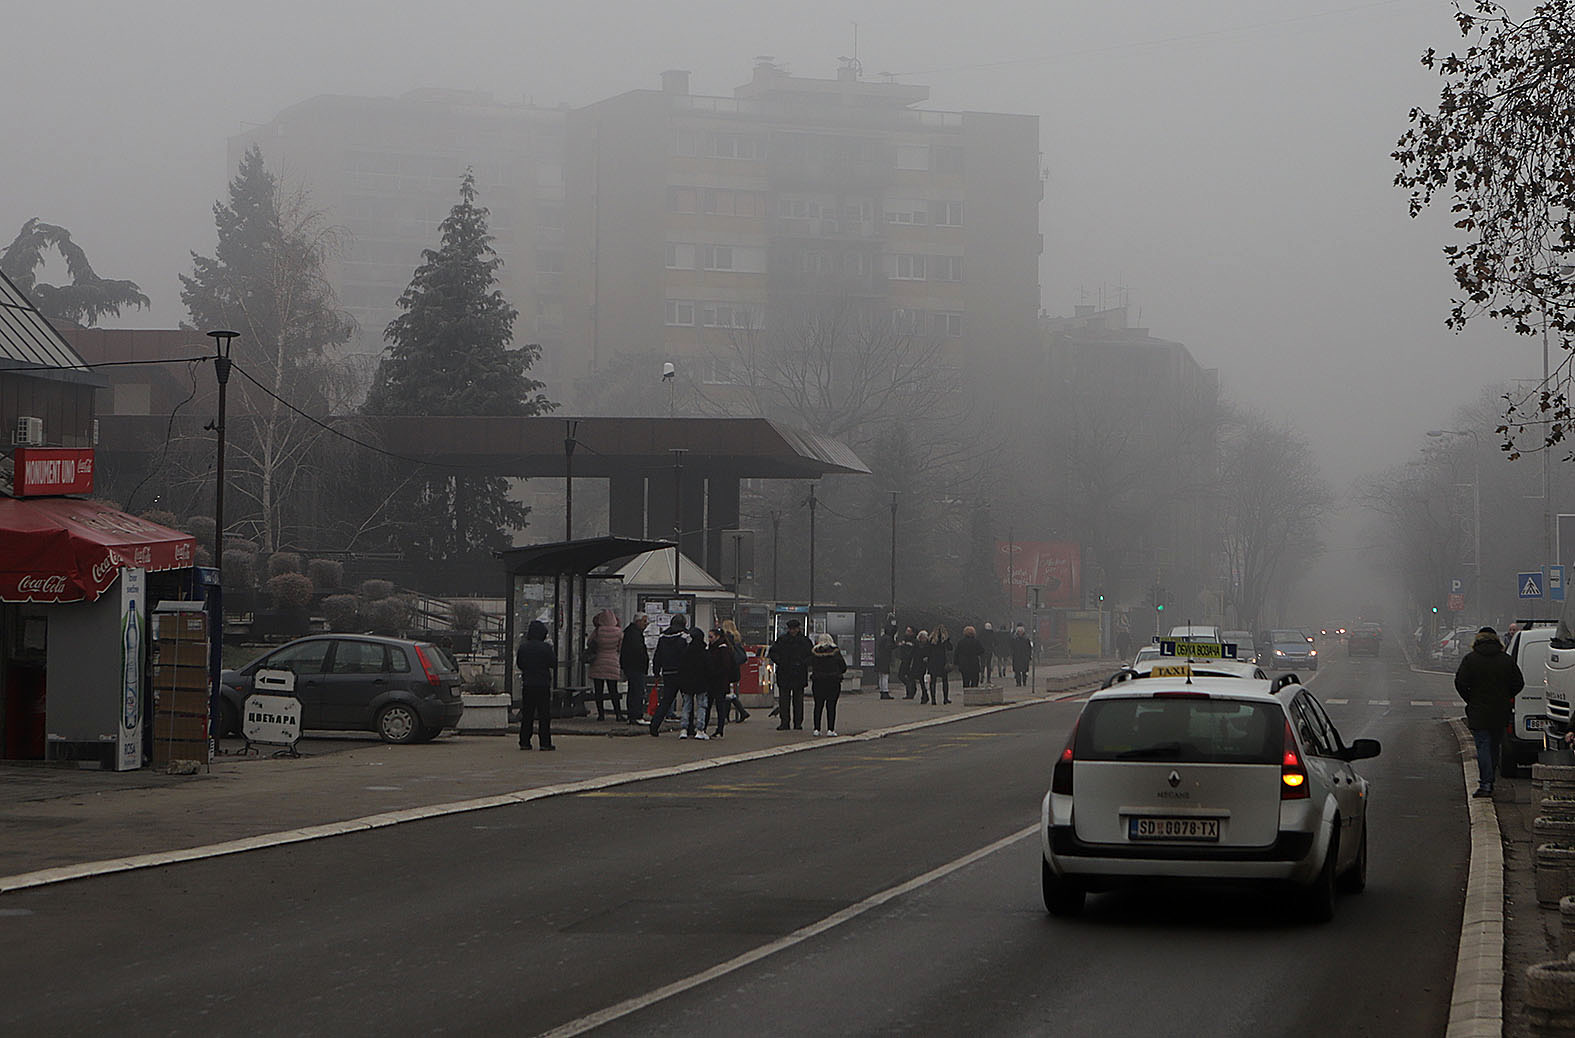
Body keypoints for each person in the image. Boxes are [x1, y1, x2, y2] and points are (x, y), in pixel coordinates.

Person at [1455, 625, 1524, 797]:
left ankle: (1486, 783)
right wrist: (1506, 696)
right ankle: (1489, 778)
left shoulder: (1470, 659)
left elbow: (1460, 682)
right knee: (1494, 746)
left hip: (1478, 710)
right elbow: (1518, 683)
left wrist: (1470, 699)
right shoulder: (1505, 660)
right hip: (1500, 710)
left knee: (1483, 746)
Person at [515, 619, 556, 751]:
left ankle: (525, 741)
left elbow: (520, 664)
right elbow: (553, 664)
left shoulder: (524, 647)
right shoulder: (546, 648)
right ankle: (545, 742)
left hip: (528, 683)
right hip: (543, 684)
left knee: (527, 713)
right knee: (544, 714)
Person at [768, 618, 813, 731]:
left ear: (798, 628)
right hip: (789, 673)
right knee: (785, 701)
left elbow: (811, 656)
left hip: (793, 673)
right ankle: (785, 722)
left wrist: (802, 663)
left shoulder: (800, 641)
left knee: (797, 701)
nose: (793, 631)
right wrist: (781, 662)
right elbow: (773, 653)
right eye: (791, 629)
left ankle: (797, 723)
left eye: (795, 628)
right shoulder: (787, 640)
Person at [649, 615, 690, 736]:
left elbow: (658, 656)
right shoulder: (685, 636)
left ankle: (654, 725)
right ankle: (689, 726)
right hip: (682, 672)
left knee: (666, 700)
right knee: (687, 700)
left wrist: (657, 672)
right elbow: (688, 655)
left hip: (667, 672)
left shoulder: (663, 637)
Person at [585, 608, 625, 721]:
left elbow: (589, 642)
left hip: (598, 661)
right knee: (613, 690)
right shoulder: (618, 632)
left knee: (599, 690)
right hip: (612, 661)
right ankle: (618, 714)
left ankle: (601, 715)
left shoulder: (598, 631)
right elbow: (620, 647)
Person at [810, 633, 848, 735]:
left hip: (818, 682)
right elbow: (843, 667)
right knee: (831, 706)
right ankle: (830, 729)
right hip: (833, 682)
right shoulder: (835, 652)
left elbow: (810, 664)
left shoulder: (815, 652)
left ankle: (816, 729)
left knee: (818, 705)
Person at [677, 626, 711, 739]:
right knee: (701, 705)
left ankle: (684, 729)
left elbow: (681, 668)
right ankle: (700, 729)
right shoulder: (704, 652)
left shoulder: (686, 652)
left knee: (686, 705)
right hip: (701, 683)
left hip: (687, 683)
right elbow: (708, 668)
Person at [706, 626, 741, 738]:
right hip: (714, 681)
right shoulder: (713, 647)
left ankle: (719, 728)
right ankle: (706, 728)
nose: (709, 639)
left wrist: (714, 672)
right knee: (710, 705)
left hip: (719, 681)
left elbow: (725, 666)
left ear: (717, 637)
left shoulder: (723, 649)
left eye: (711, 637)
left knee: (718, 706)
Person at [620, 614, 650, 725]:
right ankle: (636, 715)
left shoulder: (631, 632)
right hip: (636, 667)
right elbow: (637, 652)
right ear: (638, 621)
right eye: (644, 621)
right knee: (637, 691)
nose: (646, 624)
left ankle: (632, 715)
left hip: (631, 667)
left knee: (633, 691)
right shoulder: (634, 634)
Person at [721, 618, 751, 722]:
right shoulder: (737, 637)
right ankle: (734, 714)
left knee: (727, 693)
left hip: (728, 667)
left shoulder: (727, 637)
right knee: (729, 692)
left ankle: (738, 713)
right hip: (735, 668)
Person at [928, 624, 954, 704]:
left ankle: (933, 700)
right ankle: (945, 699)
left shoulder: (931, 639)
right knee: (944, 680)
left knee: (933, 681)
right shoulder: (944, 640)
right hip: (942, 661)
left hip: (932, 661)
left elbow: (928, 649)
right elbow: (950, 648)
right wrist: (947, 639)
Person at [875, 619, 897, 699]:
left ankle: (882, 690)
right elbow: (889, 647)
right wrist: (895, 645)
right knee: (885, 675)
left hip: (879, 658)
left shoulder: (882, 637)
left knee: (881, 675)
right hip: (885, 658)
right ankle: (885, 691)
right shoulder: (888, 638)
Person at [897, 626, 918, 699]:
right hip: (904, 660)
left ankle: (910, 691)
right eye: (906, 630)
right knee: (901, 675)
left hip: (910, 661)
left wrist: (904, 646)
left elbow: (912, 651)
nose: (906, 632)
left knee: (908, 676)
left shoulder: (914, 640)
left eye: (909, 631)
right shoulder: (904, 639)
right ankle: (910, 688)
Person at [912, 630, 932, 701]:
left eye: (924, 637)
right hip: (918, 663)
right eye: (921, 637)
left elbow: (931, 653)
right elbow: (914, 653)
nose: (922, 639)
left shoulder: (929, 645)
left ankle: (925, 695)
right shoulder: (917, 644)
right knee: (920, 679)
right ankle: (924, 694)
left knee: (925, 680)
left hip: (926, 664)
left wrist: (928, 657)